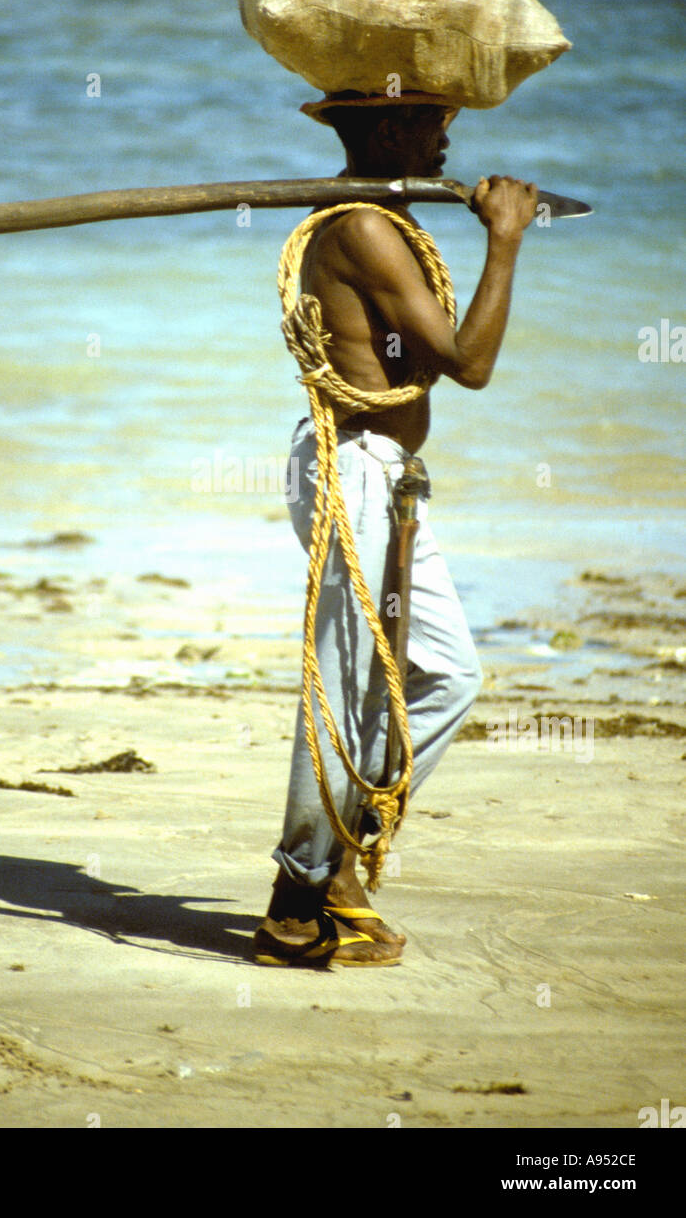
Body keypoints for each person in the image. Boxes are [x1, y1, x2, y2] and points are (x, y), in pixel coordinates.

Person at [253, 96, 539, 967]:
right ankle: (299, 898)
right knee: (344, 686)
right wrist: (506, 238)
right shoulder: (363, 227)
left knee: (449, 674)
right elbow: (471, 364)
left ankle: (338, 860)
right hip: (351, 468)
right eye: (428, 122)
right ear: (386, 136)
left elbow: (412, 359)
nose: (447, 136)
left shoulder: (389, 221)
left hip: (384, 473)